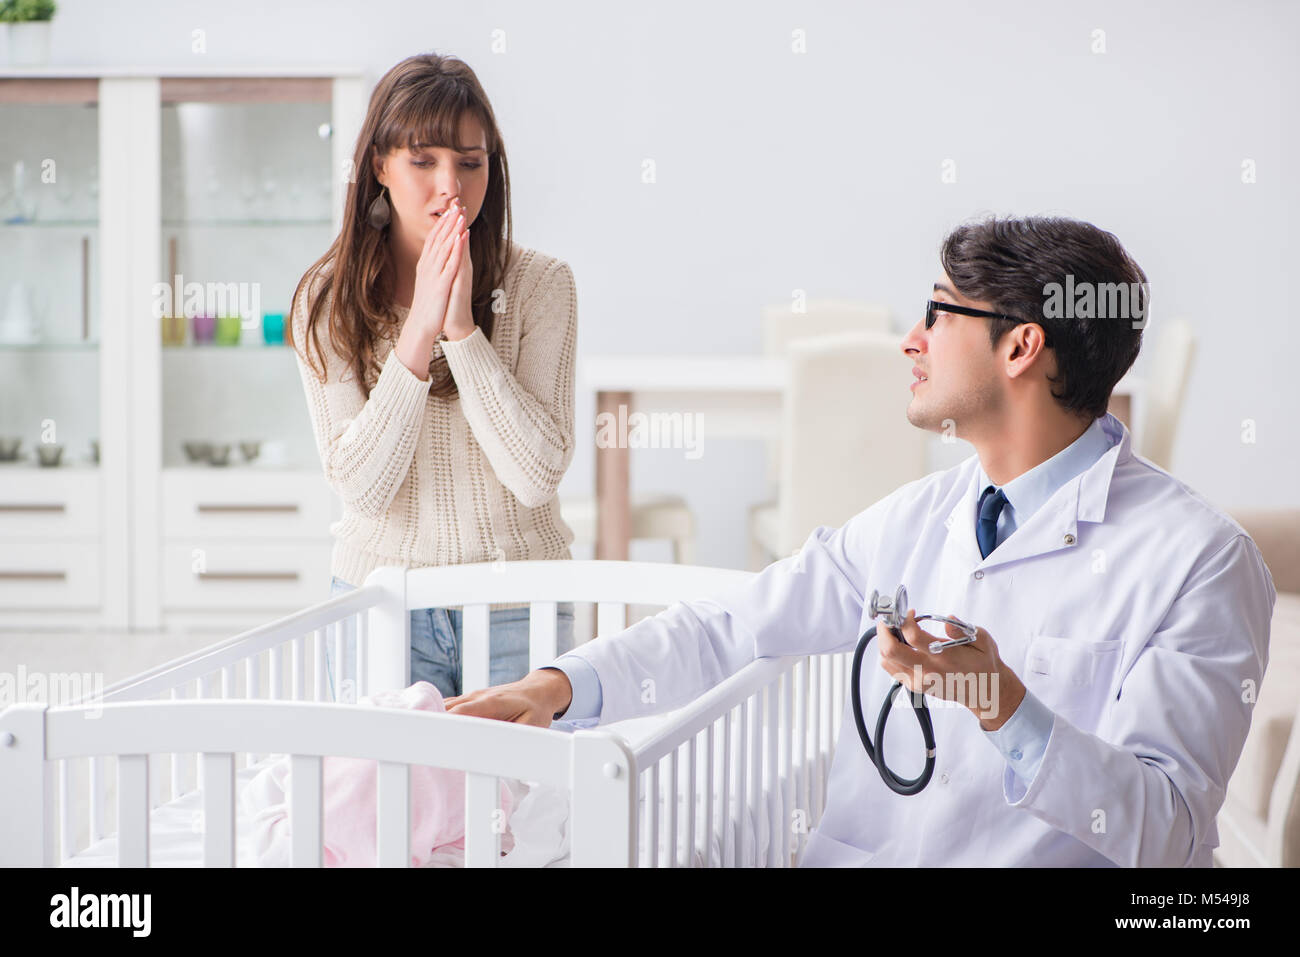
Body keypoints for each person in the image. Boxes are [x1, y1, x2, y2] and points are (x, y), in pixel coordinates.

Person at [445, 215, 1276, 867]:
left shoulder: (1200, 561)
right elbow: (733, 624)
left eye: (939, 313)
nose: (910, 339)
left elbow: (1167, 830)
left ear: (1022, 346)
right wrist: (558, 684)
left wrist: (1008, 706)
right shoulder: (917, 518)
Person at [286, 53, 578, 703]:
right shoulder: (324, 301)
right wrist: (419, 327)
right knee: (384, 801)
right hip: (383, 603)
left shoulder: (542, 286)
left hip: (515, 604)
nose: (450, 186)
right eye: (423, 161)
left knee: (520, 803)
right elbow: (362, 488)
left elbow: (536, 476)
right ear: (379, 167)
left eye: (470, 163)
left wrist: (463, 333)